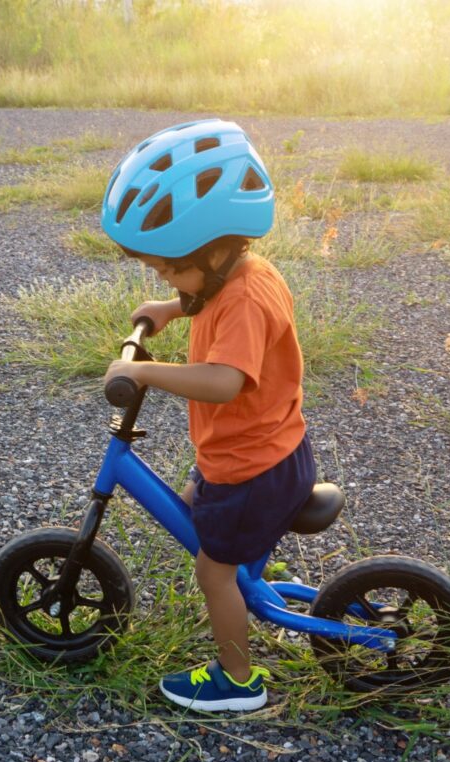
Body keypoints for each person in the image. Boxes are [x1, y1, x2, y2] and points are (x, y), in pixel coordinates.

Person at [99, 119, 314, 714]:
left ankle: (238, 681)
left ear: (214, 250)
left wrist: (143, 371)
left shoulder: (242, 297)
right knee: (201, 501)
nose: (164, 277)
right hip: (267, 450)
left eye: (169, 268)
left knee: (213, 572)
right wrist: (173, 307)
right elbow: (208, 296)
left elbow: (224, 381)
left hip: (252, 469)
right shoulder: (245, 273)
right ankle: (248, 572)